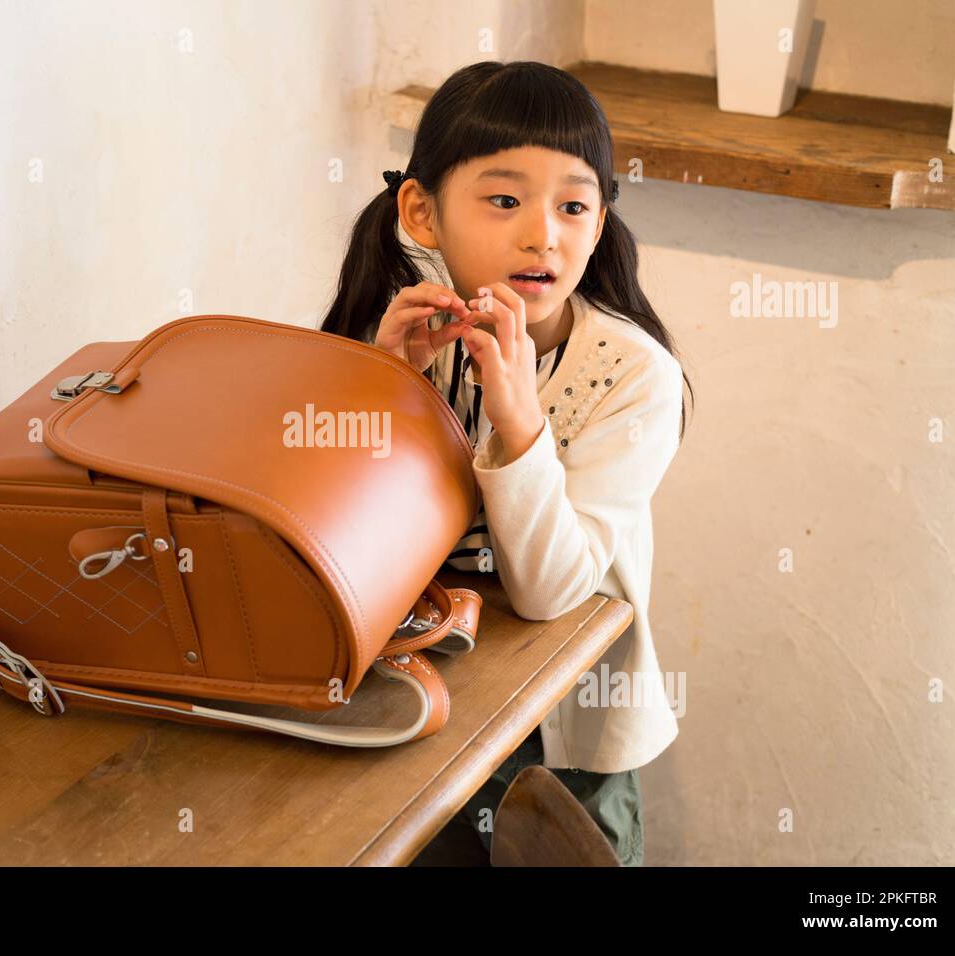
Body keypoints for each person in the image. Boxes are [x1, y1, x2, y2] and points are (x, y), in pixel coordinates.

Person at [320, 60, 695, 866]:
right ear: (421, 212)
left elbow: (551, 593)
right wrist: (390, 392)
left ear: (599, 225)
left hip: (565, 740)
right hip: (422, 705)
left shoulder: (634, 376)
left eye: (572, 205)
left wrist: (519, 420)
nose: (543, 234)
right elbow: (332, 544)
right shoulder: (394, 335)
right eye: (503, 199)